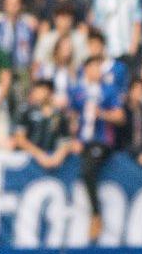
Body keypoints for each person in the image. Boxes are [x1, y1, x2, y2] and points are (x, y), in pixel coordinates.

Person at [71, 55, 124, 243]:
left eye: (98, 67)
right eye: (92, 67)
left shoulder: (109, 90)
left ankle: (96, 215)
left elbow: (120, 116)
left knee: (88, 171)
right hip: (83, 141)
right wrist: (73, 136)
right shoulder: (77, 91)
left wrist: (101, 113)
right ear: (85, 70)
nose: (96, 71)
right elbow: (72, 116)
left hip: (101, 140)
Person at [14, 79, 72, 170]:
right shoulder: (26, 111)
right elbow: (19, 138)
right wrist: (39, 155)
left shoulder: (59, 115)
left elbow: (66, 140)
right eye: (36, 89)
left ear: (50, 92)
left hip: (51, 161)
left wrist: (58, 156)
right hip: (28, 162)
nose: (37, 93)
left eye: (41, 90)